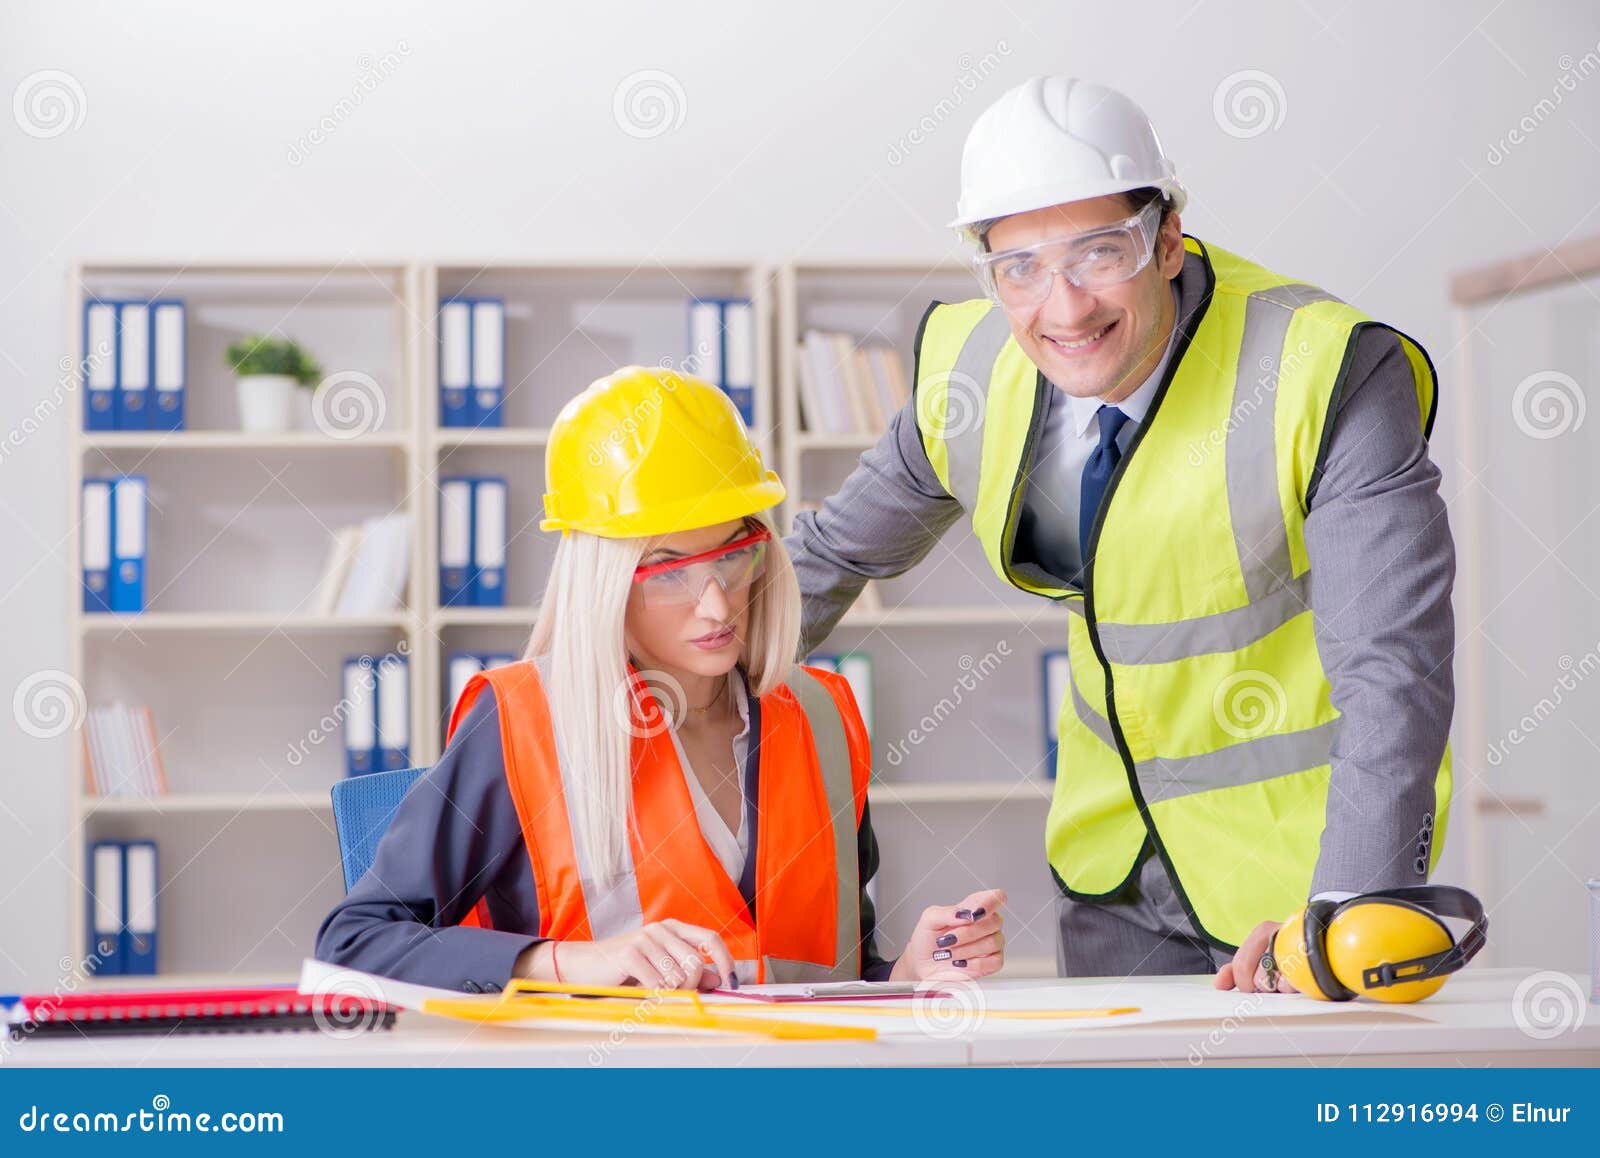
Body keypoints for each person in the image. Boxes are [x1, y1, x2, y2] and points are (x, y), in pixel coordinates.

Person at [785, 76, 1454, 994]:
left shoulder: (1324, 372)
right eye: (1019, 267)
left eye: (1100, 253)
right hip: (1111, 870)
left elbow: (1393, 674)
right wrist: (632, 683)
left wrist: (1345, 911)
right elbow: (825, 562)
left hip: (1292, 880)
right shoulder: (970, 374)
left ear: (1167, 239)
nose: (1063, 309)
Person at [316, 366, 1006, 992]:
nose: (717, 605)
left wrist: (905, 974)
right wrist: (569, 961)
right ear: (604, 581)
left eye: (732, 555)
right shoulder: (523, 721)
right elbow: (355, 943)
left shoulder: (823, 719)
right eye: (669, 570)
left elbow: (832, 972)